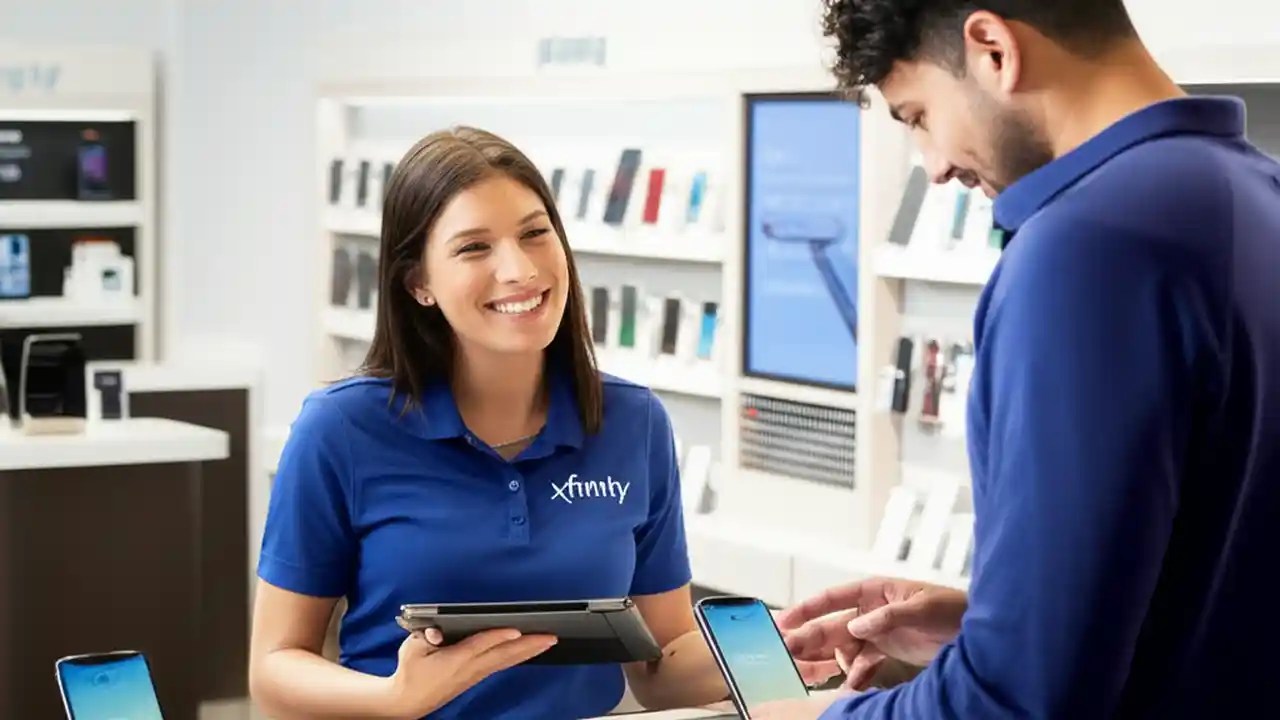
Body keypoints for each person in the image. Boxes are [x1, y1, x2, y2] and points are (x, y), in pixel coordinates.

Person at [760, 0, 1280, 718]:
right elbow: (1221, 599)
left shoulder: (1086, 247)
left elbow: (1014, 705)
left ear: (992, 49)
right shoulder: (1255, 195)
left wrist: (823, 717)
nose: (934, 166)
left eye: (917, 117)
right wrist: (995, 630)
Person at [247, 126, 729, 719]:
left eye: (535, 233)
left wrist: (780, 643)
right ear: (418, 283)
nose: (519, 269)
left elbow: (662, 667)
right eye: (475, 248)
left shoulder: (633, 423)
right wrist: (395, 699)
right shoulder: (340, 430)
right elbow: (273, 669)